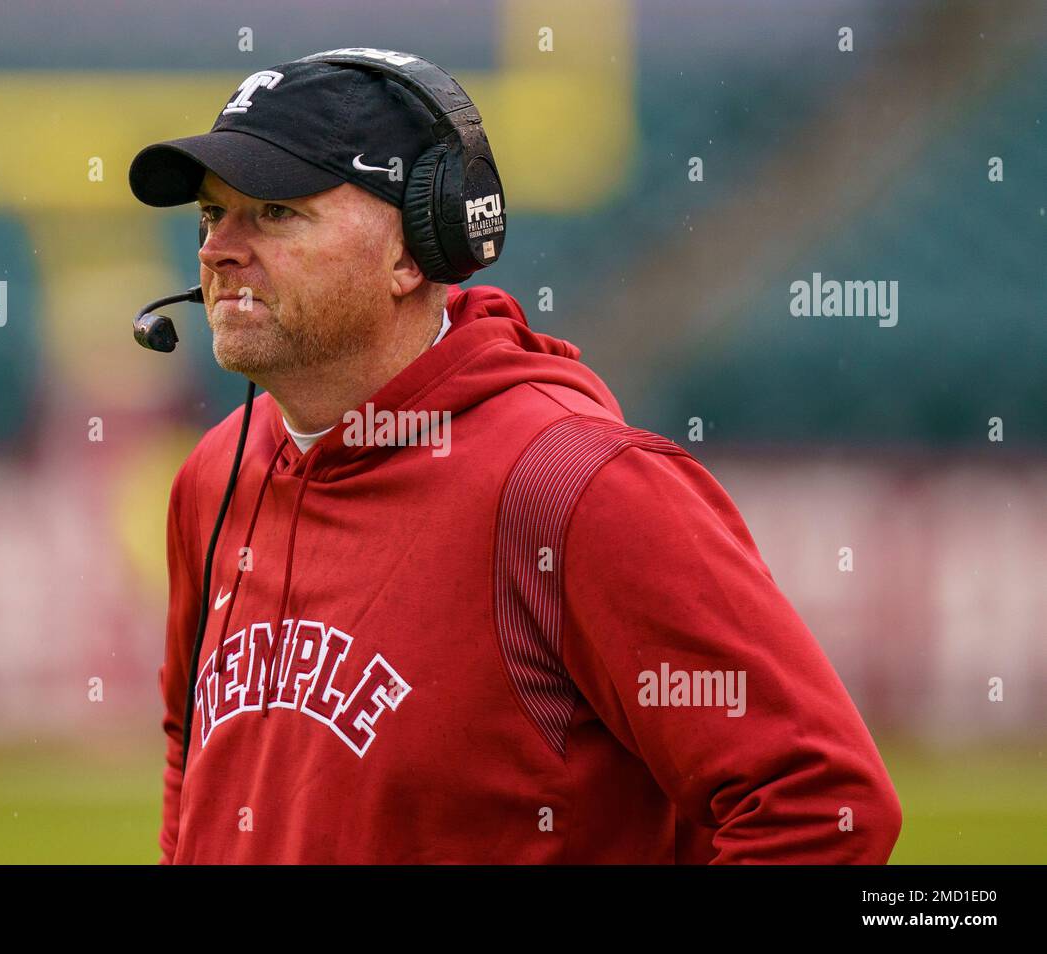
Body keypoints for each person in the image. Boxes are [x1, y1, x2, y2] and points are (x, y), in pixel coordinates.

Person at [128, 48, 902, 864]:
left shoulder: (581, 488)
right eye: (213, 214)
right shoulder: (214, 475)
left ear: (415, 248)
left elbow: (822, 805)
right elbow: (195, 753)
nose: (219, 250)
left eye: (276, 212)